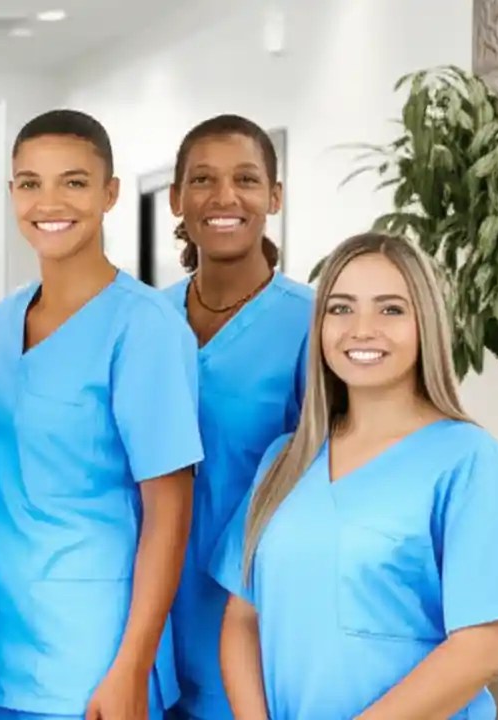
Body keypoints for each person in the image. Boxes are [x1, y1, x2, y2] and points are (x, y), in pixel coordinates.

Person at [212, 232, 498, 719]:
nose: (361, 329)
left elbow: (480, 649)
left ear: (425, 324)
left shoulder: (471, 462)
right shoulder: (285, 460)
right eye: (341, 308)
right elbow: (242, 619)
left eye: (390, 309)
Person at [0, 109, 202, 720]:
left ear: (109, 193)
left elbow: (169, 511)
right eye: (29, 182)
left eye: (73, 182)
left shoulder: (145, 328)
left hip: (93, 664)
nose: (49, 201)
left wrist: (132, 667)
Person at [161, 114, 313, 720]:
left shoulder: (313, 323)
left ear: (274, 197)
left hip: (249, 618)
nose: (225, 197)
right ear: (177, 198)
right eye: (203, 179)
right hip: (149, 616)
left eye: (246, 179)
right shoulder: (144, 320)